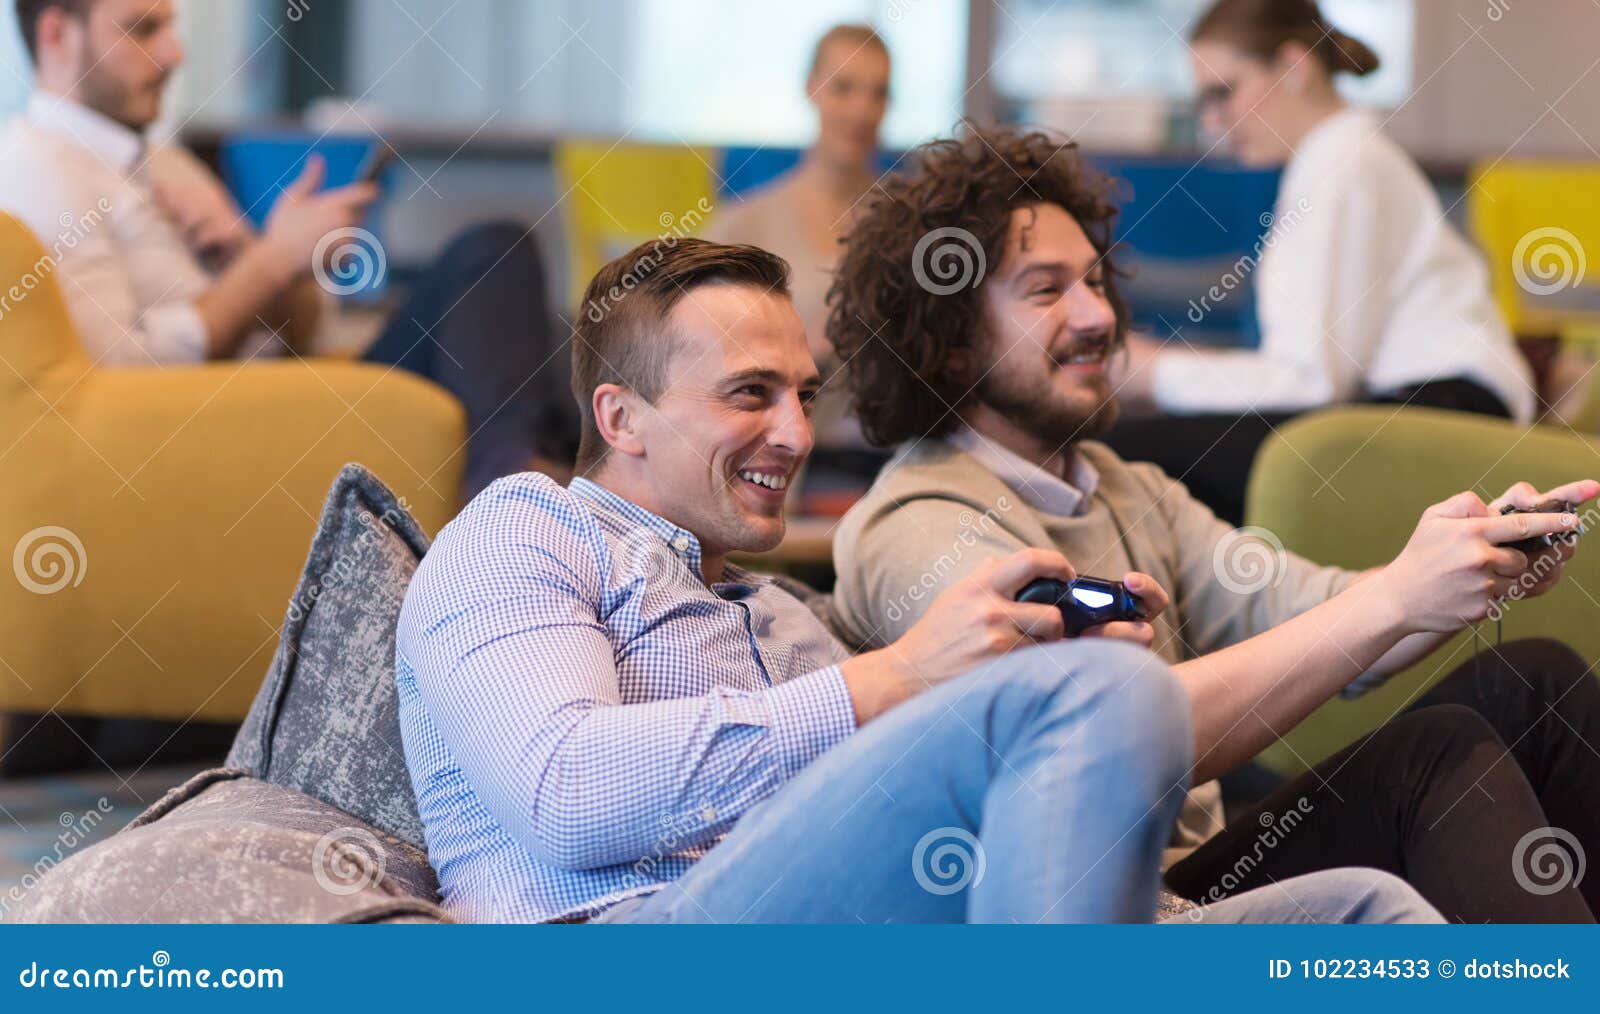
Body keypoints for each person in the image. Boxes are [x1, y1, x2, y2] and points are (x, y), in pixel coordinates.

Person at [397, 236, 1440, 925]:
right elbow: (566, 793)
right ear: (619, 418)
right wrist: (892, 683)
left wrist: (1016, 710)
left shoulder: (780, 618)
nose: (798, 434)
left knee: (1363, 916)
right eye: (750, 395)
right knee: (1100, 692)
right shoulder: (523, 533)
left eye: (804, 394)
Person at [827, 127, 1599, 923]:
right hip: (1115, 906)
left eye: (1096, 282)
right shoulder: (918, 527)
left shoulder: (1128, 489)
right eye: (1047, 290)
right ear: (950, 344)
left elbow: (1324, 615)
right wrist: (1397, 597)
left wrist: (1464, 566)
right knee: (1432, 761)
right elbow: (1101, 749)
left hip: (1199, 861)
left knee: (1531, 682)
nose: (1098, 315)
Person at [0, 0, 577, 500]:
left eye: (170, 27)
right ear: (57, 35)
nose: (173, 53)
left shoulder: (163, 164)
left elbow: (302, 338)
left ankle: (533, 486)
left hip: (292, 391)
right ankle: (525, 500)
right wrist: (272, 260)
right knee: (494, 282)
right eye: (141, 30)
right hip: (239, 430)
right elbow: (117, 375)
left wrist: (262, 254)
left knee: (495, 259)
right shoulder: (37, 168)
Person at [1106, 0, 1534, 524]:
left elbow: (1308, 381)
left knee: (1121, 452)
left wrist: (1151, 373)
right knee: (1136, 449)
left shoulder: (1342, 167)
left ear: (1293, 65)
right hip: (1426, 410)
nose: (1213, 123)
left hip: (1446, 417)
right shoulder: (1338, 160)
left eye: (1224, 92)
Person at [711, 24, 890, 486]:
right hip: (773, 463)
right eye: (844, 88)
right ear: (811, 89)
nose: (861, 110)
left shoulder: (912, 229)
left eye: (878, 93)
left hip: (887, 456)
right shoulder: (743, 225)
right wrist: (802, 350)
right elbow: (703, 354)